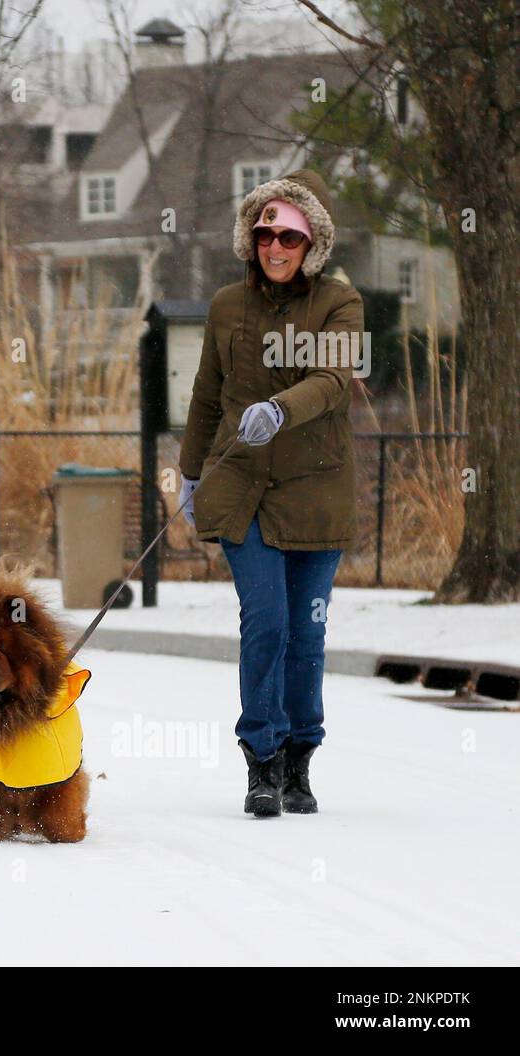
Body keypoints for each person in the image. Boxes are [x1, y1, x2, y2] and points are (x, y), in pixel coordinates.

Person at [178, 169, 363, 818]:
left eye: (288, 236)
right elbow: (206, 393)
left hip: (316, 492)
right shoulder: (228, 305)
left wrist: (282, 410)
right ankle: (261, 761)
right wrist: (190, 470)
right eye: (264, 235)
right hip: (242, 488)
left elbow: (336, 379)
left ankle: (299, 757)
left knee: (306, 635)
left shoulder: (339, 303)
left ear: (311, 242)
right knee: (267, 622)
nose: (275, 248)